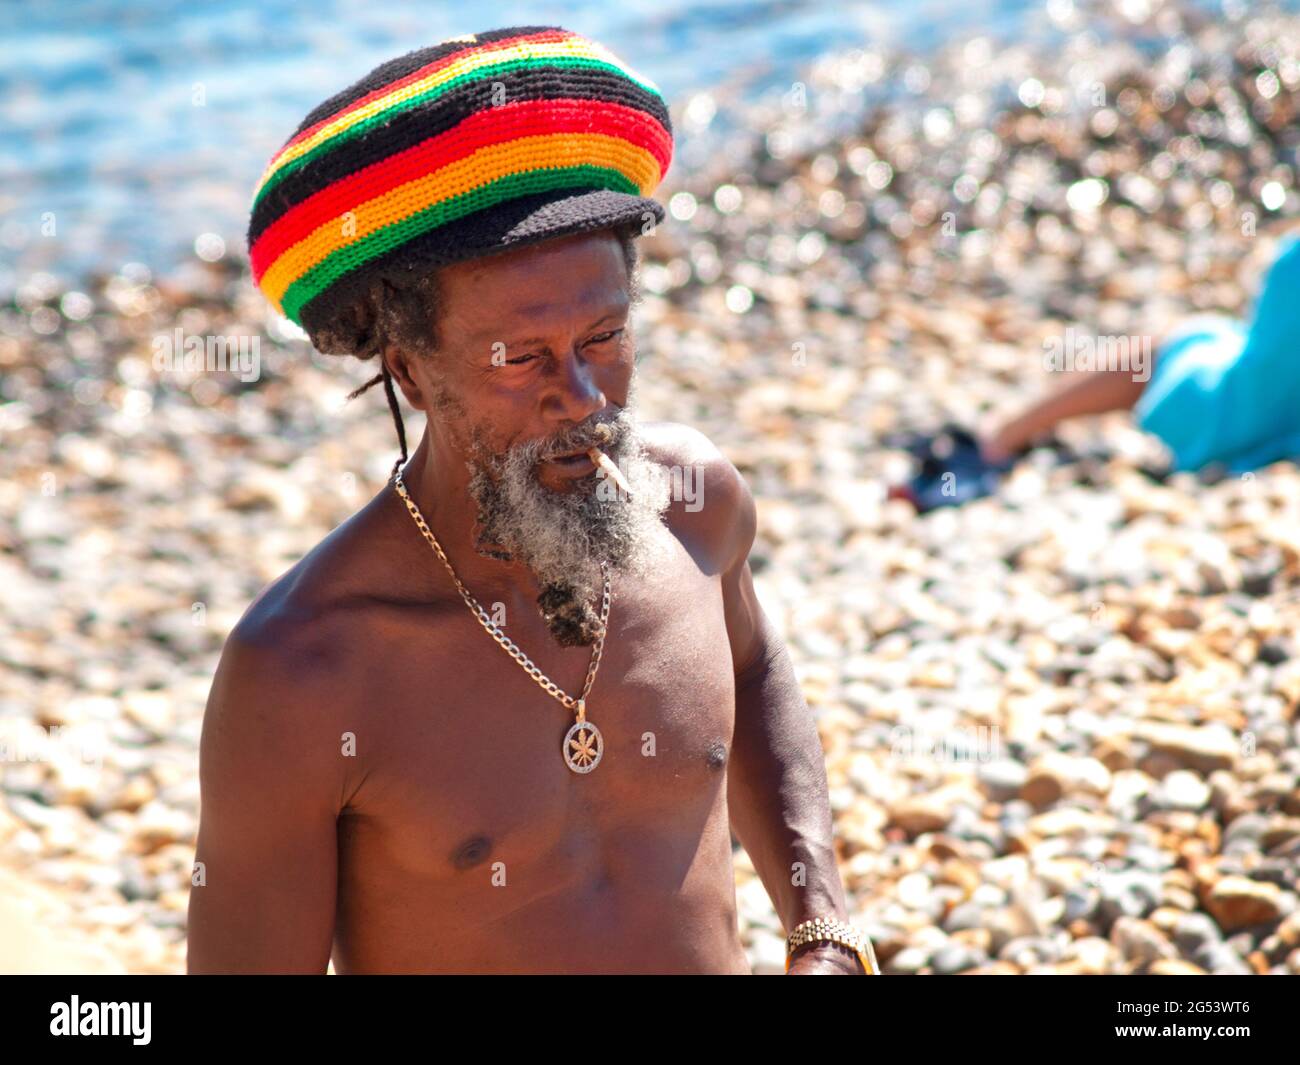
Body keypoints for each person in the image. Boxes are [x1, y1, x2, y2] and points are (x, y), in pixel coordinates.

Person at [187, 25, 877, 975]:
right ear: (411, 373)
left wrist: (824, 932)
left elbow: (754, 674)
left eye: (603, 338)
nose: (583, 398)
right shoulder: (306, 671)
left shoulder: (694, 508)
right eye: (521, 358)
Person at [895, 227, 1300, 510]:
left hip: (1229, 423)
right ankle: (1000, 436)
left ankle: (999, 439)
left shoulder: (1291, 260)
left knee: (1187, 342)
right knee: (1202, 343)